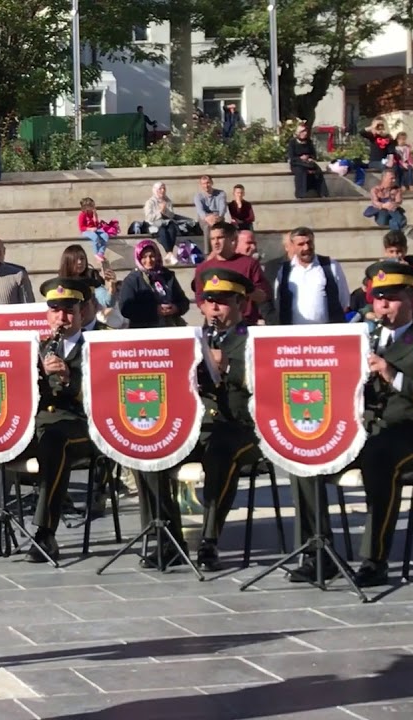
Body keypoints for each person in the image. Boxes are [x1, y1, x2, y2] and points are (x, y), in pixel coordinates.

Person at [0, 279, 95, 562]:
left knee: (54, 441)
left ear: (82, 312)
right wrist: (34, 370)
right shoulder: (39, 346)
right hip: (37, 423)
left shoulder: (95, 345)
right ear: (47, 314)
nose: (62, 318)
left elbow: (103, 396)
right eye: (55, 311)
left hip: (80, 425)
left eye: (68, 310)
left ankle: (45, 533)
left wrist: (69, 378)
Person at [354, 261, 413, 586]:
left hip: (411, 432)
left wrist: (390, 373)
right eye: (378, 298)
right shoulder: (366, 337)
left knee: (379, 461)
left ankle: (374, 560)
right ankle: (315, 552)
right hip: (369, 429)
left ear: (412, 300)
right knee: (307, 456)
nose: (382, 305)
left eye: (391, 297)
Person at [190, 267, 256, 572]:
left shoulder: (253, 340)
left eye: (223, 301)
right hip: (199, 425)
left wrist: (228, 368)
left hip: (241, 428)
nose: (214, 307)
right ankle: (162, 533)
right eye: (209, 300)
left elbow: (262, 387)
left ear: (241, 305)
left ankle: (209, 539)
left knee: (221, 452)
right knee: (152, 445)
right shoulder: (193, 340)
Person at [260, 227, 351, 326]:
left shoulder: (330, 266)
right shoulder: (283, 270)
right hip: (293, 333)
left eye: (309, 242)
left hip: (326, 333)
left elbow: (343, 299)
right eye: (301, 244)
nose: (306, 248)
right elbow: (278, 301)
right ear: (293, 246)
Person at [193, 222, 269, 325]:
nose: (216, 242)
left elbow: (263, 295)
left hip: (245, 324)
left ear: (232, 240)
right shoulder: (203, 268)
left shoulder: (249, 264)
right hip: (214, 325)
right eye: (212, 239)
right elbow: (199, 298)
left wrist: (243, 289)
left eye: (220, 238)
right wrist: (210, 312)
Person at [117, 239, 190, 329]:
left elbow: (184, 302)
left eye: (152, 256)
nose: (149, 260)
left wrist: (175, 308)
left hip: (169, 329)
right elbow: (126, 309)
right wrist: (154, 310)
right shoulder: (132, 280)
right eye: (144, 257)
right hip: (145, 332)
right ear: (139, 258)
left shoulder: (167, 276)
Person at [287, 124, 328, 198]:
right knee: (301, 171)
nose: (305, 133)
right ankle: (300, 194)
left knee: (318, 171)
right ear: (298, 133)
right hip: (297, 163)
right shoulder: (292, 142)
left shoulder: (309, 142)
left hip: (308, 163)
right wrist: (301, 158)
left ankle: (323, 193)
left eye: (305, 131)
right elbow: (292, 157)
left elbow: (313, 154)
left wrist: (310, 158)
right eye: (302, 131)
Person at [143, 182, 180, 260]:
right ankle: (169, 252)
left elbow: (172, 215)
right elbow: (149, 217)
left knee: (172, 229)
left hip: (166, 223)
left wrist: (165, 211)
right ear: (155, 190)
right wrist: (160, 212)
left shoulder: (168, 201)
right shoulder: (150, 202)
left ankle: (169, 252)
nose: (162, 190)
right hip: (153, 224)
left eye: (164, 188)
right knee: (162, 230)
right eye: (160, 189)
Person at [77, 197, 112, 262]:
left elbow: (96, 225)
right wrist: (90, 229)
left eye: (93, 205)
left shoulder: (93, 213)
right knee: (95, 237)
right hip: (86, 231)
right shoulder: (82, 215)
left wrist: (95, 217)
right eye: (91, 205)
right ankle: (96, 253)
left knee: (105, 236)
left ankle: (100, 253)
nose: (93, 206)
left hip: (95, 229)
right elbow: (81, 227)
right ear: (87, 207)